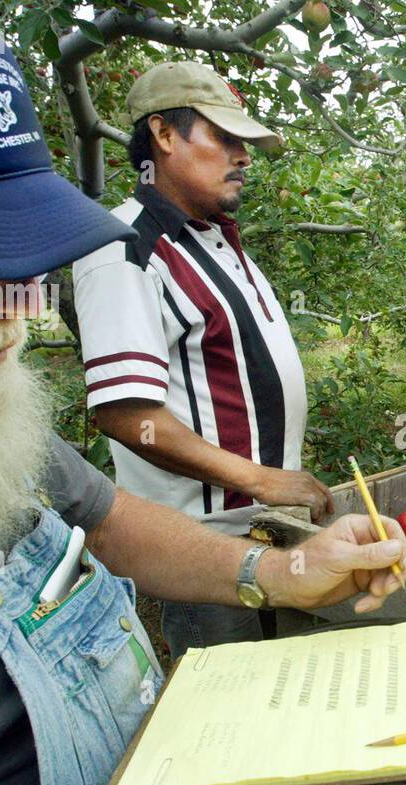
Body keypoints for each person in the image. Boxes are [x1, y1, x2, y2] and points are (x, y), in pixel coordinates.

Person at [0, 0, 406, 785]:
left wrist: (282, 571)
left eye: (22, 248)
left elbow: (107, 515)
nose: (13, 308)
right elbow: (129, 413)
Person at [72, 62, 334, 656]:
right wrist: (261, 478)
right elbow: (124, 414)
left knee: (285, 699)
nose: (243, 156)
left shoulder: (215, 241)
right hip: (201, 552)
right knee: (231, 723)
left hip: (269, 536)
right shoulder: (126, 247)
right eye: (225, 137)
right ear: (164, 136)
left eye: (245, 143)